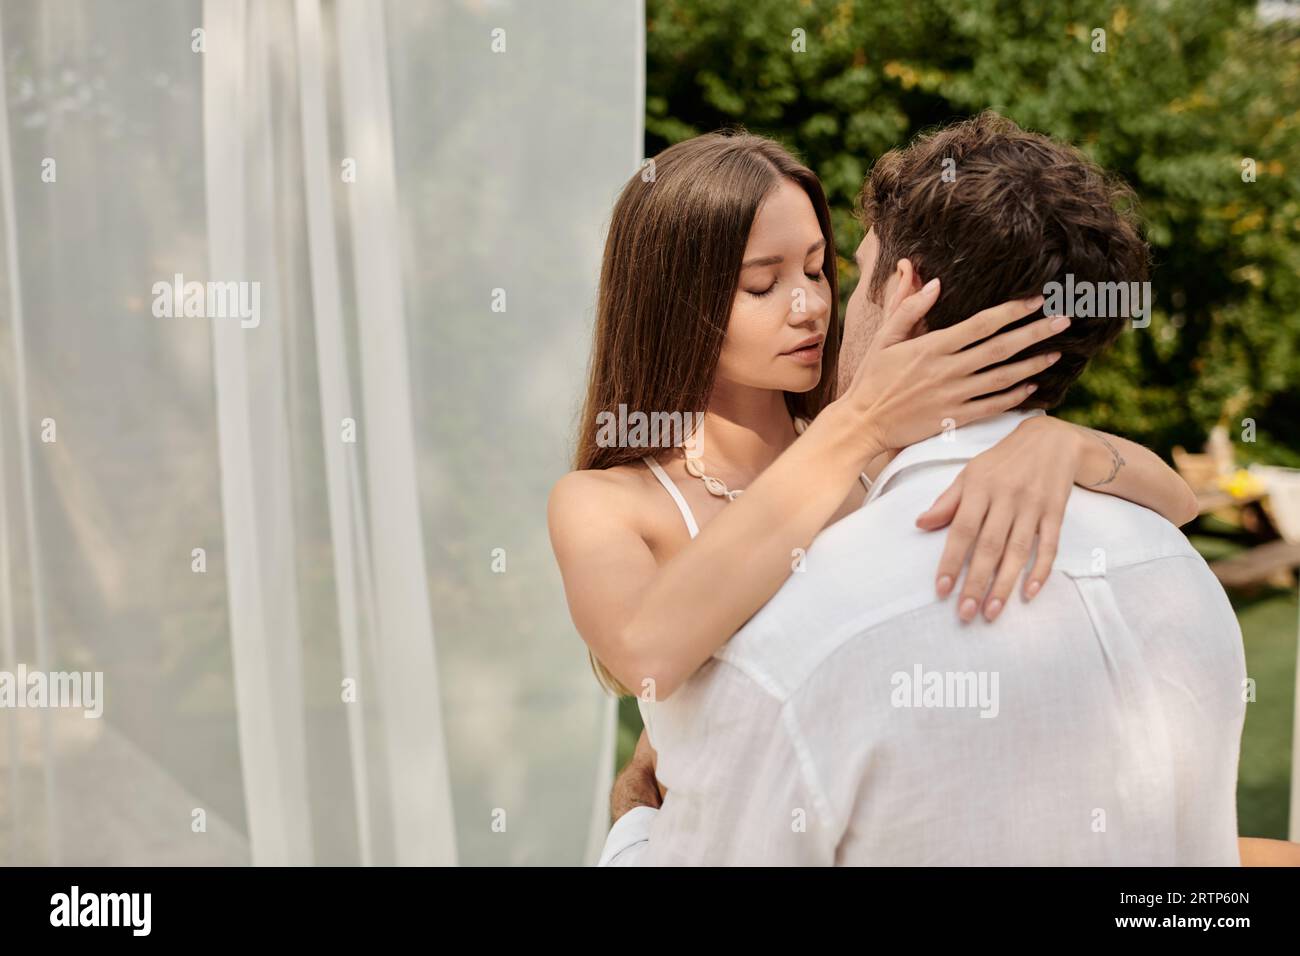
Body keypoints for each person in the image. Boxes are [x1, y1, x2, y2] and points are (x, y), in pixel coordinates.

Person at [595, 113, 1247, 866]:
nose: (814, 306)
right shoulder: (1178, 575)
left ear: (903, 287)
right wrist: (1052, 436)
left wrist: (634, 823)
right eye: (763, 284)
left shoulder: (788, 654)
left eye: (829, 268)